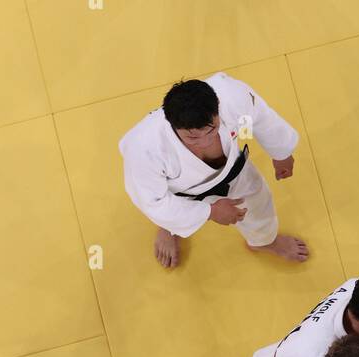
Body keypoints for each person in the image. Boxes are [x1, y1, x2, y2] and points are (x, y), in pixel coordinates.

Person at [119, 74, 308, 269]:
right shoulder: (144, 148)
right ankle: (168, 229)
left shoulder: (230, 95)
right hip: (182, 193)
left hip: (233, 170)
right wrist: (210, 212)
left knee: (260, 204)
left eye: (212, 129)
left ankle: (265, 242)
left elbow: (260, 117)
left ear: (217, 107)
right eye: (192, 138)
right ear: (172, 125)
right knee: (168, 213)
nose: (205, 141)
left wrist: (281, 152)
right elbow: (152, 201)